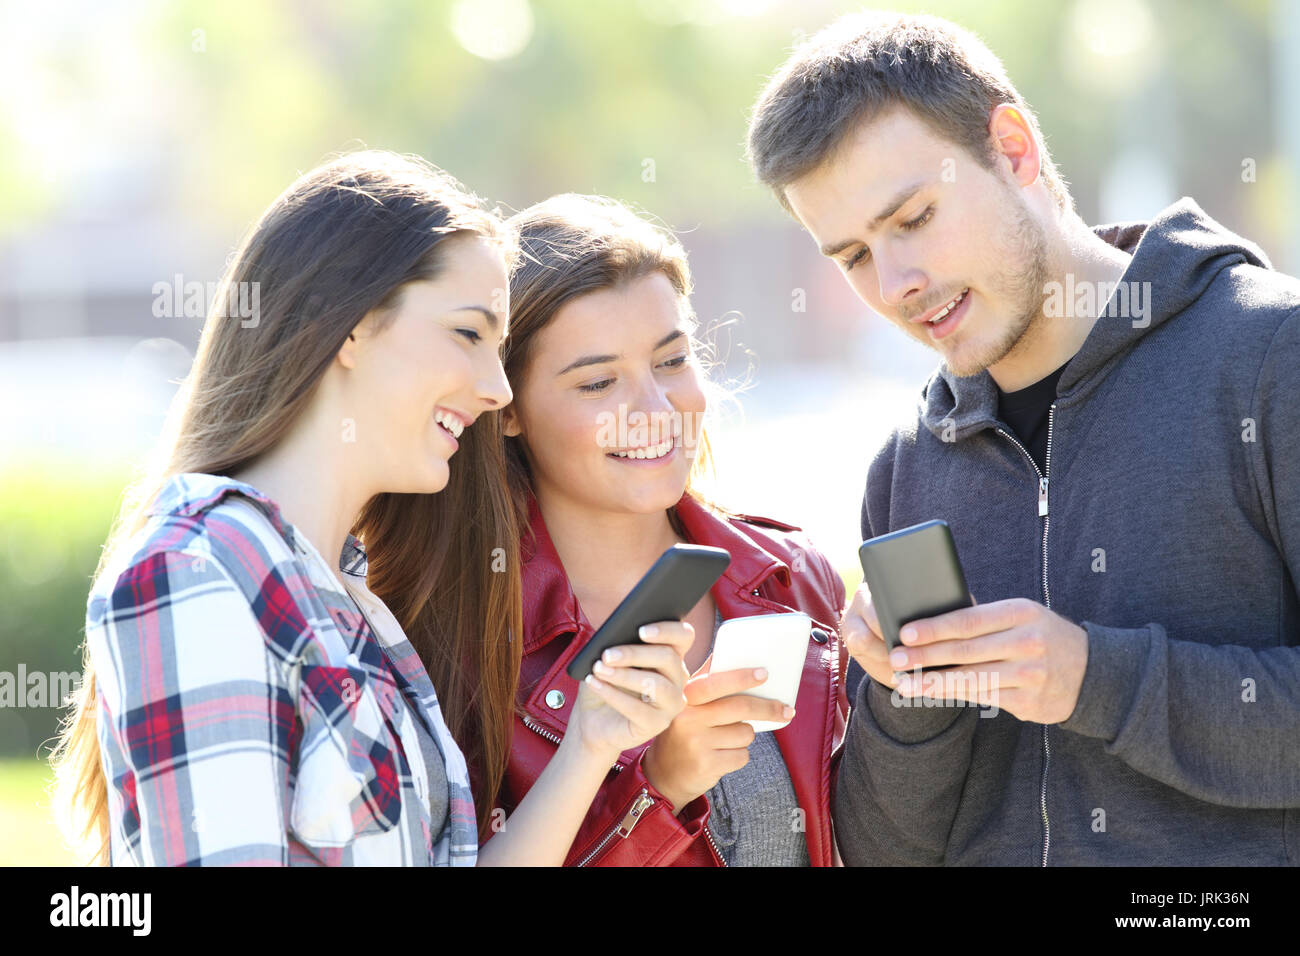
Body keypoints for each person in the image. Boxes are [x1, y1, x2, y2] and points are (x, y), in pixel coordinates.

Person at [746, 11, 1300, 864]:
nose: (897, 284)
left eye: (914, 218)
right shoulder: (906, 467)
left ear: (1013, 148)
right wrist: (904, 703)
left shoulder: (1271, 357)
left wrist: (1092, 680)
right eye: (853, 256)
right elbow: (886, 849)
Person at [49, 151, 693, 866]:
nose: (497, 390)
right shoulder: (200, 570)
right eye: (468, 335)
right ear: (350, 327)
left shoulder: (353, 603)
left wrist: (592, 743)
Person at [485, 194, 849, 866]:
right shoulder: (466, 640)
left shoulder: (796, 577)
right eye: (597, 384)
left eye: (672, 361)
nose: (653, 408)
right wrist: (660, 787)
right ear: (507, 408)